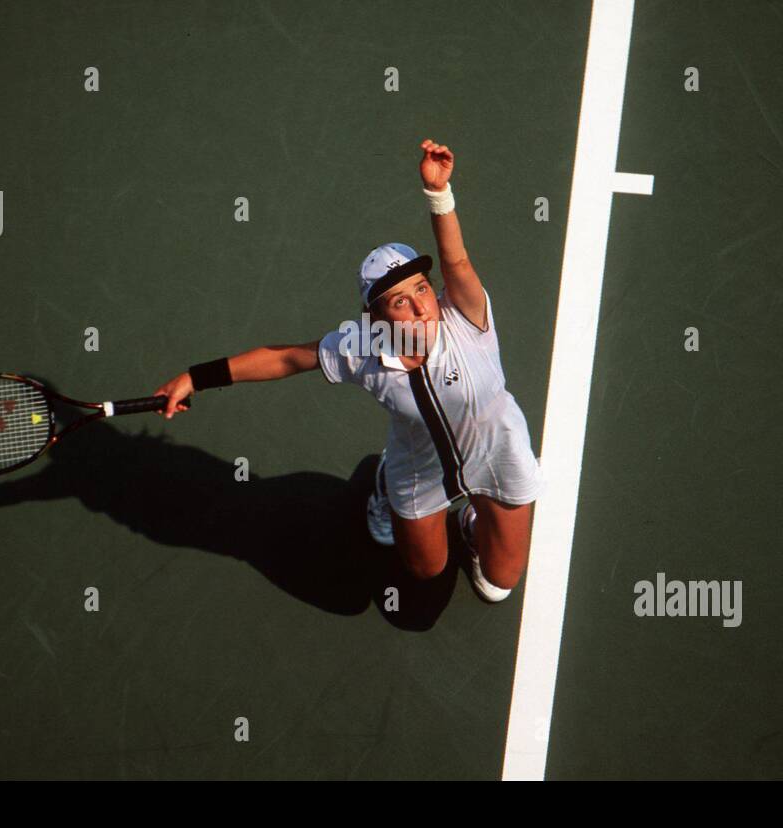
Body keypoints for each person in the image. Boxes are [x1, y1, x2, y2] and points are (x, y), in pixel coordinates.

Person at [153, 139, 544, 602]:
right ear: (377, 318)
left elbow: (455, 258)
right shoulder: (359, 349)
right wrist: (197, 377)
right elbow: (285, 358)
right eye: (400, 300)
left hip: (497, 449)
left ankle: (473, 519)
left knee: (499, 584)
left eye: (421, 288)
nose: (420, 306)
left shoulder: (465, 314)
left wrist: (438, 193)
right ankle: (383, 483)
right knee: (426, 569)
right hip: (420, 467)